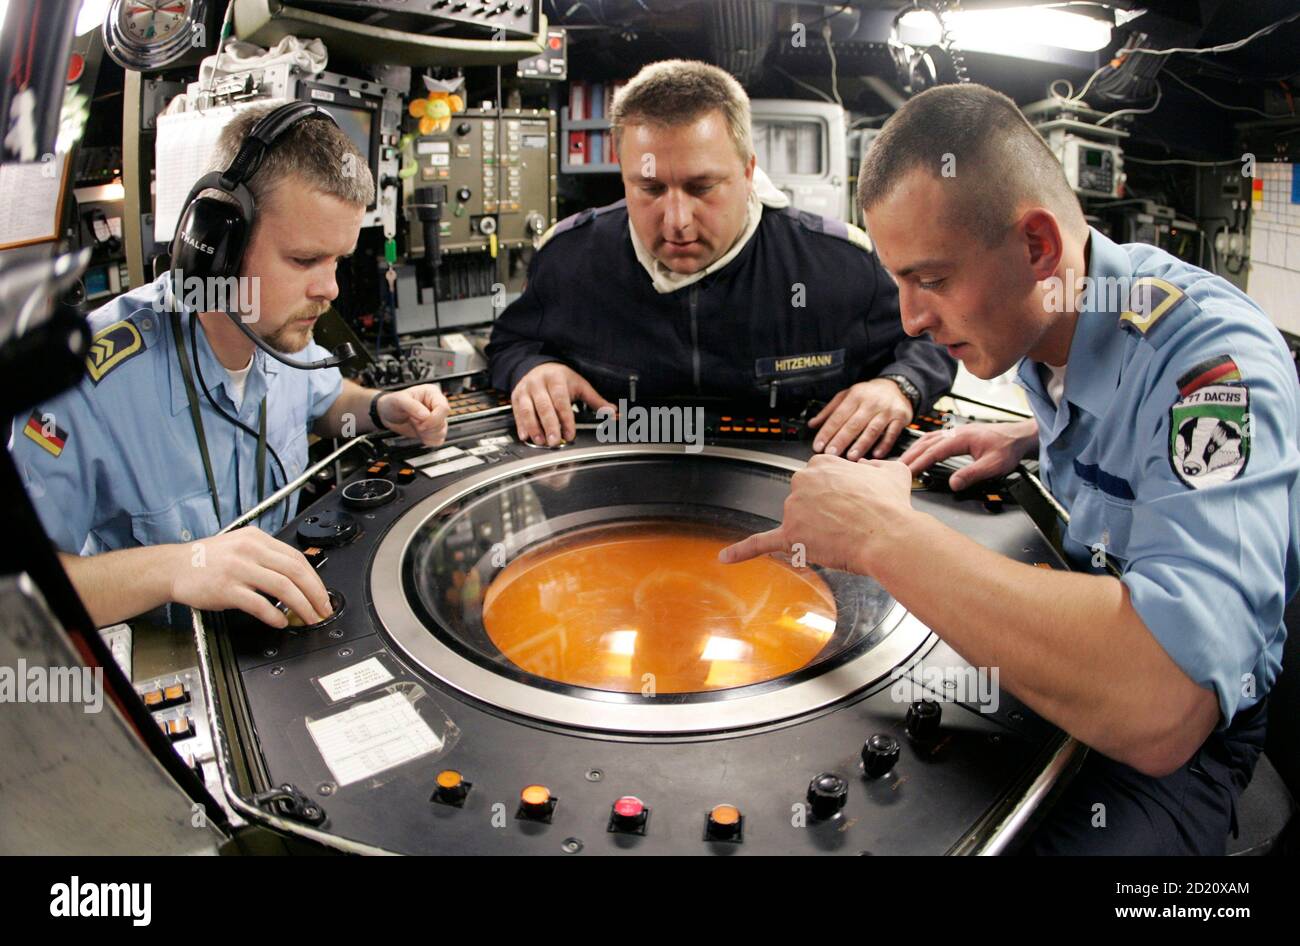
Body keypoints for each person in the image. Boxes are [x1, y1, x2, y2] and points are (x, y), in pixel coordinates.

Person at [720, 83, 1299, 855]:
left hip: (1180, 747)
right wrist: (1031, 436)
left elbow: (1165, 705)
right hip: (1075, 663)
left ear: (1038, 247)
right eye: (899, 281)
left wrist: (879, 535)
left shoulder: (1212, 371)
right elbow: (1122, 409)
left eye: (932, 279)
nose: (911, 319)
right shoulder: (1059, 321)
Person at [10, 103, 450, 631]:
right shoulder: (83, 382)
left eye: (338, 261)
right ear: (217, 250)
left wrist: (381, 409)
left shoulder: (283, 330)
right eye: (305, 261)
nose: (329, 290)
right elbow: (18, 596)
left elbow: (327, 403)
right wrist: (178, 567)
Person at [487, 59, 954, 457]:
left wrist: (899, 387)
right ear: (623, 173)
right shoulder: (570, 261)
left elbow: (931, 337)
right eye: (649, 189)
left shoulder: (838, 266)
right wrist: (533, 369)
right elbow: (511, 343)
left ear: (748, 171)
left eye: (701, 187)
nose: (677, 222)